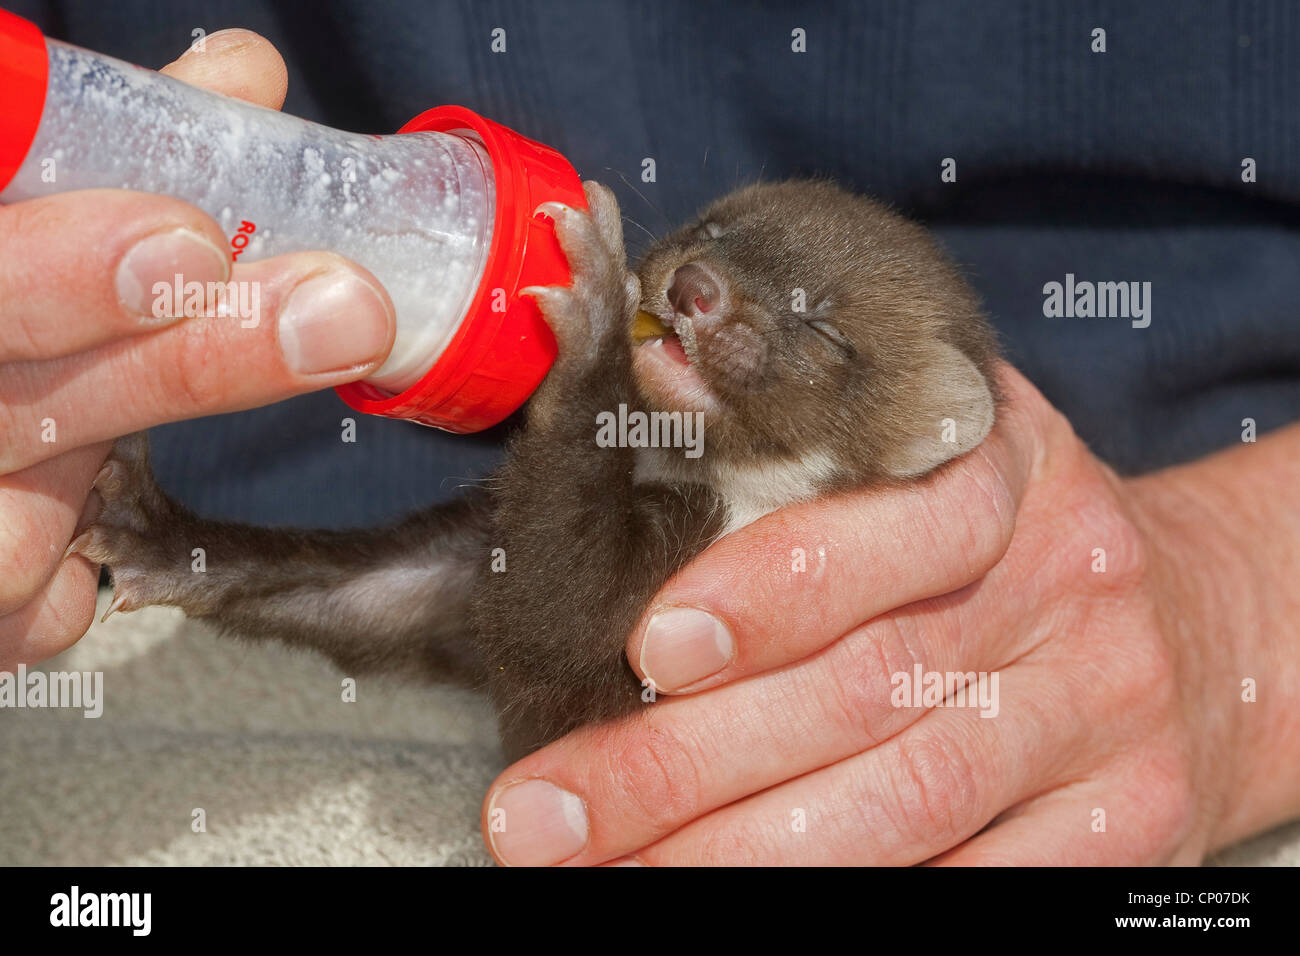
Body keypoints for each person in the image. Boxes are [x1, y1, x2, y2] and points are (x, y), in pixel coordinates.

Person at [3, 1, 1297, 866]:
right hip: (152, 501)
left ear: (914, 435)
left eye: (821, 338)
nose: (704, 287)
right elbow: (504, 599)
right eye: (714, 249)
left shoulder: (813, 480)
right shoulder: (642, 444)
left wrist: (1233, 600)